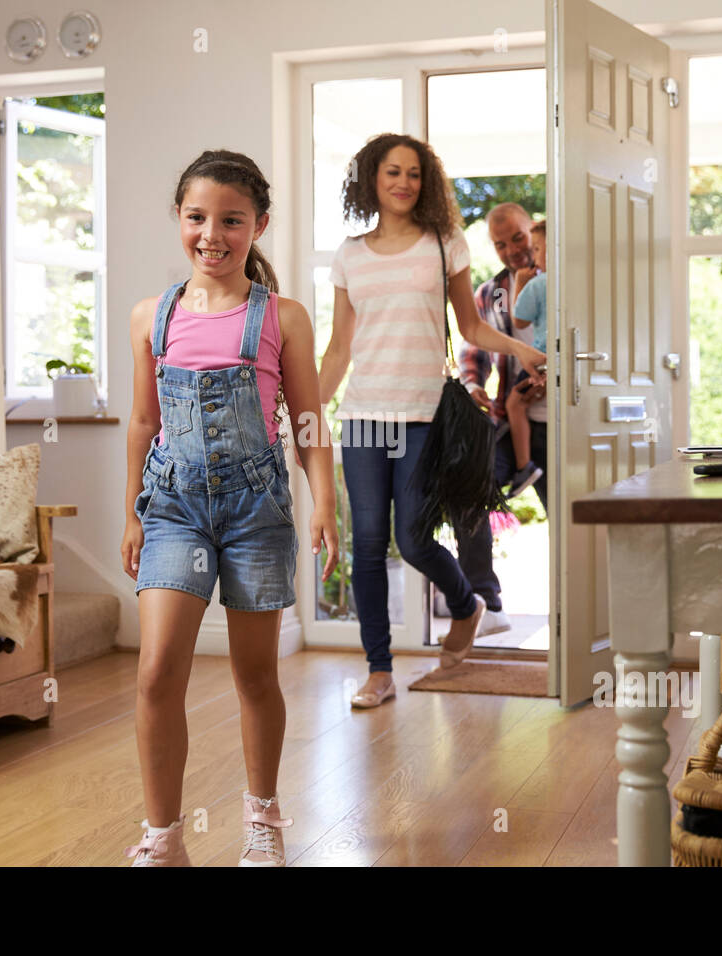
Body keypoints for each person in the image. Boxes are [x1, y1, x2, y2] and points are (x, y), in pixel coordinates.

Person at [121, 150, 339, 866]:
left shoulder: (284, 316)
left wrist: (322, 505)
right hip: (174, 508)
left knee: (255, 678)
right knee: (157, 672)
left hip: (256, 513)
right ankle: (164, 839)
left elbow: (307, 420)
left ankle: (263, 821)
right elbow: (144, 422)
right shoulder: (151, 315)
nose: (211, 234)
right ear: (179, 220)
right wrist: (131, 514)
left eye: (231, 220)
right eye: (197, 217)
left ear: (259, 226)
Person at [318, 134, 545, 708]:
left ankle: (465, 604)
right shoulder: (349, 255)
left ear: (426, 182)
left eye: (415, 174)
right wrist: (306, 406)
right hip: (364, 418)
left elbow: (469, 326)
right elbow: (340, 346)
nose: (404, 182)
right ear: (372, 178)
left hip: (424, 416)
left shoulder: (444, 244)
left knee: (414, 541)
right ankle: (379, 670)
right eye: (392, 172)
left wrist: (523, 351)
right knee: (367, 545)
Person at [453, 203, 551, 633]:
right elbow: (473, 354)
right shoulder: (488, 294)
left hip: (564, 422)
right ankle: (486, 604)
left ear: (532, 230)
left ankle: (589, 617)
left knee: (573, 518)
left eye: (518, 238)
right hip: (511, 422)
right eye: (500, 244)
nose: (512, 250)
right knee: (468, 488)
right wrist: (473, 386)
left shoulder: (565, 280)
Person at [506, 219, 549, 498]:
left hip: (542, 360)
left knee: (514, 403)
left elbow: (520, 322)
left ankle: (523, 467)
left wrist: (521, 284)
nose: (533, 256)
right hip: (567, 364)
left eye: (536, 249)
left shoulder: (538, 284)